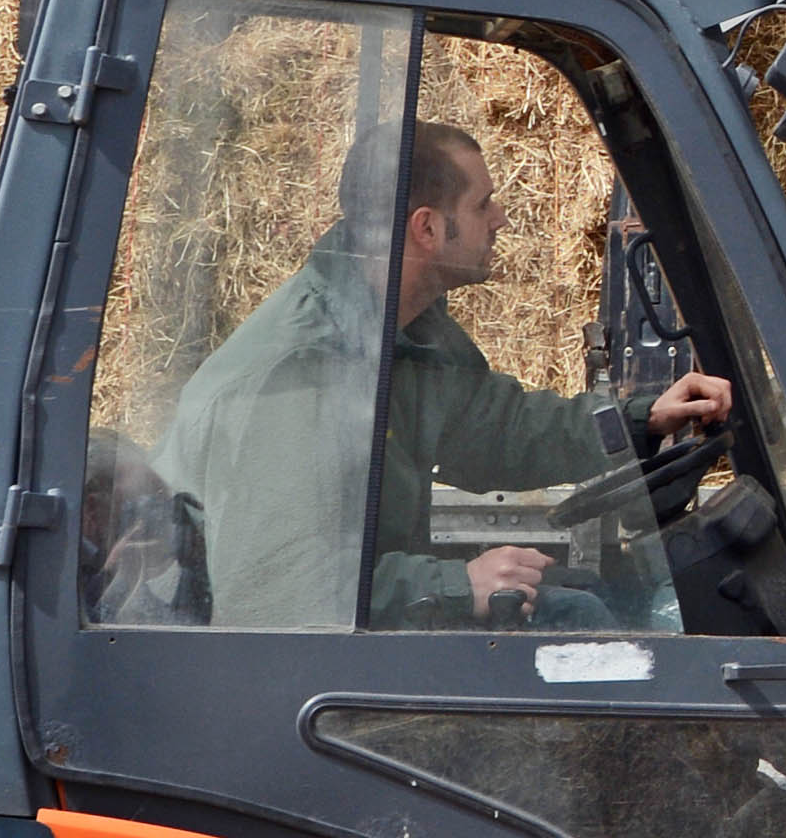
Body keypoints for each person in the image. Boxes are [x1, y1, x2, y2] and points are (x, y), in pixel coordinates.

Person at [160, 122, 733, 628]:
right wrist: (461, 586)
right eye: (483, 205)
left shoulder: (399, 334)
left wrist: (642, 420)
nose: (501, 218)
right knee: (581, 622)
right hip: (268, 681)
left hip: (354, 641)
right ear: (427, 228)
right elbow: (279, 596)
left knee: (588, 600)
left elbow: (500, 432)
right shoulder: (303, 372)